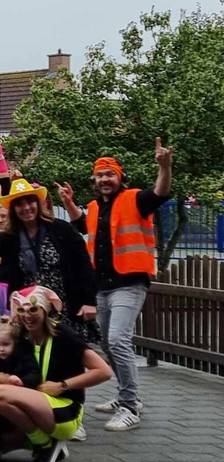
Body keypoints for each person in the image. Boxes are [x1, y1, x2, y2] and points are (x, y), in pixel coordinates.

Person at [57, 139, 172, 432]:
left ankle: (130, 406)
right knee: (108, 342)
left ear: (120, 177)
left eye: (110, 174)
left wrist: (164, 166)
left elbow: (161, 192)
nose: (105, 179)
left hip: (130, 283)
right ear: (94, 180)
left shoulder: (136, 199)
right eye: (100, 175)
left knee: (119, 340)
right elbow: (82, 224)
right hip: (103, 285)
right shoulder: (95, 207)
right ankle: (125, 395)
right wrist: (69, 203)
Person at [0, 286, 112, 462]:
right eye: (22, 310)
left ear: (45, 310)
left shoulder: (62, 334)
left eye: (33, 309)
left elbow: (104, 371)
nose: (27, 315)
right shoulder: (19, 336)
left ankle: (43, 444)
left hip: (63, 407)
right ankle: (39, 442)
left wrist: (63, 385)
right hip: (29, 403)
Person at [0, 179, 97, 342]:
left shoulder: (61, 229)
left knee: (68, 353)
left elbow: (83, 264)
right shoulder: (13, 236)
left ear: (38, 203)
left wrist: (89, 301)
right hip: (31, 308)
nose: (26, 207)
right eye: (19, 204)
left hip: (65, 305)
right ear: (14, 209)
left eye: (30, 202)